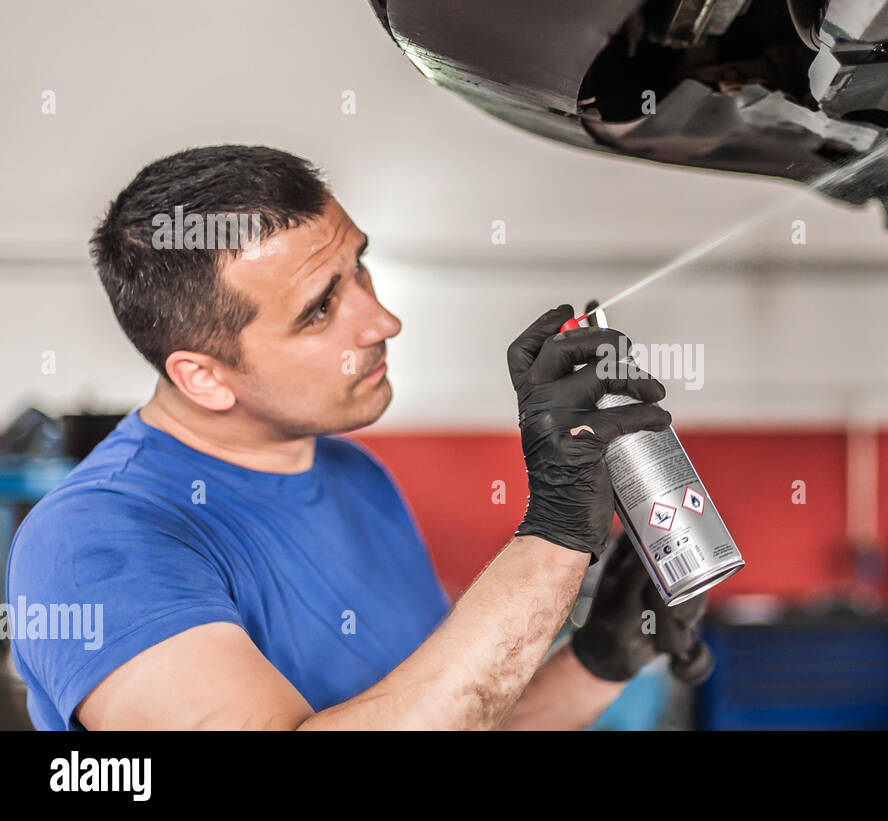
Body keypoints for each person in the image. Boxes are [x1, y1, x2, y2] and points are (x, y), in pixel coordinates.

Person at [5, 145, 706, 730]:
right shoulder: (91, 542)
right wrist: (553, 534)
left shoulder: (353, 473)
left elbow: (444, 715)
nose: (382, 320)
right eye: (319, 311)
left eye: (359, 267)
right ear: (205, 377)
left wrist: (598, 660)